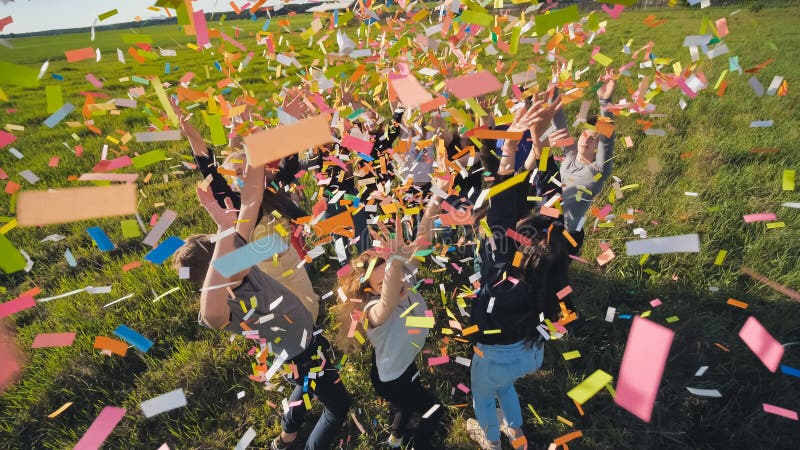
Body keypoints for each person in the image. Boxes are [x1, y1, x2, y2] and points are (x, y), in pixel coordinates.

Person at [172, 150, 350, 450]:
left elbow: (252, 198)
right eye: (221, 246)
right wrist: (224, 232)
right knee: (339, 406)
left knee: (304, 386)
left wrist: (257, 149)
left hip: (297, 345)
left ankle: (285, 437)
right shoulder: (221, 302)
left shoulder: (237, 262)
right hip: (300, 351)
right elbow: (211, 311)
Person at [465, 98, 570, 450]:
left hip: (494, 357)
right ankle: (518, 431)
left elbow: (503, 208)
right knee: (506, 385)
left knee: (484, 395)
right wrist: (538, 145)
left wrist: (512, 147)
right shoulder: (553, 263)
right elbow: (551, 201)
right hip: (529, 353)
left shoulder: (499, 280)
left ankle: (492, 440)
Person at [173, 98, 321, 322]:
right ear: (230, 179)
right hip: (265, 274)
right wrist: (192, 136)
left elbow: (288, 162)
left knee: (309, 304)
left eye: (247, 171)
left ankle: (312, 316)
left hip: (291, 258)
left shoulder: (270, 187)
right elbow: (208, 169)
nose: (243, 177)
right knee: (288, 312)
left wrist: (287, 122)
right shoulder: (235, 205)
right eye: (237, 173)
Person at [333, 170, 450, 450]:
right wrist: (395, 263)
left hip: (400, 362)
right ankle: (419, 443)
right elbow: (386, 306)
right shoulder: (372, 310)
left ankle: (395, 439)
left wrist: (435, 200)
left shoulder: (400, 277)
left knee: (406, 403)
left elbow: (422, 242)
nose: (395, 278)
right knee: (434, 410)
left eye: (390, 269)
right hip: (390, 379)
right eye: (384, 277)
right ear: (372, 289)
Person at [548, 68, 618, 254]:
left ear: (598, 145)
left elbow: (607, 139)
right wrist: (553, 88)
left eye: (593, 138)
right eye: (584, 134)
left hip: (567, 236)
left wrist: (604, 102)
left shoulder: (598, 170)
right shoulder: (570, 153)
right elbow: (558, 120)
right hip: (546, 225)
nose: (585, 139)